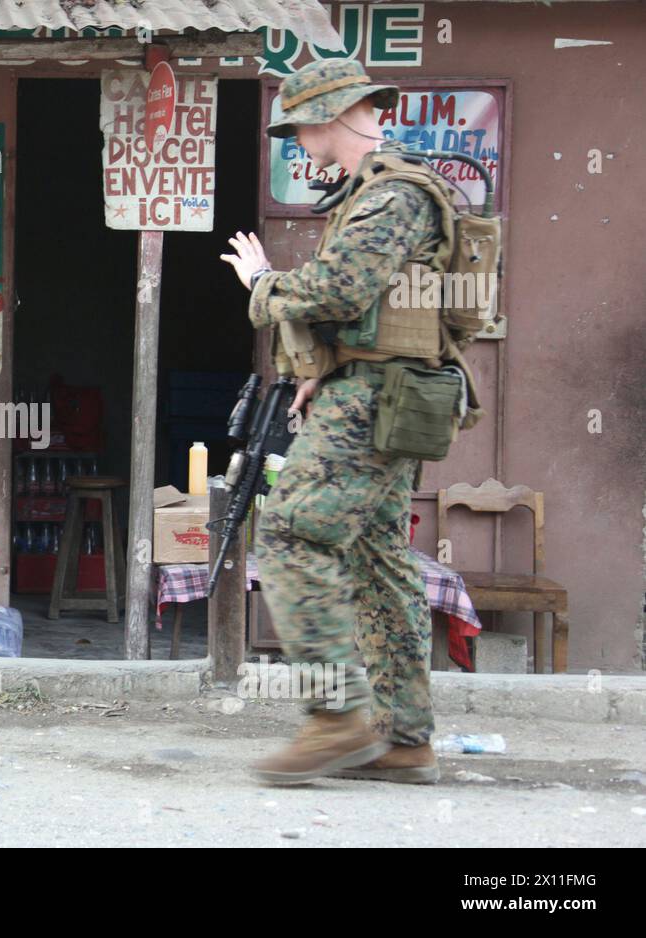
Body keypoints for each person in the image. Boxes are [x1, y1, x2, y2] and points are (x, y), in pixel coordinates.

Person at [220, 59, 446, 785]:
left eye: (305, 127)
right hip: (373, 390)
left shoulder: (395, 195)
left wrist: (263, 287)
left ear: (338, 113)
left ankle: (335, 719)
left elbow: (341, 288)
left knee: (288, 531)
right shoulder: (376, 195)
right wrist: (323, 369)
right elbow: (373, 310)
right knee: (380, 563)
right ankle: (404, 739)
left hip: (376, 400)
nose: (302, 142)